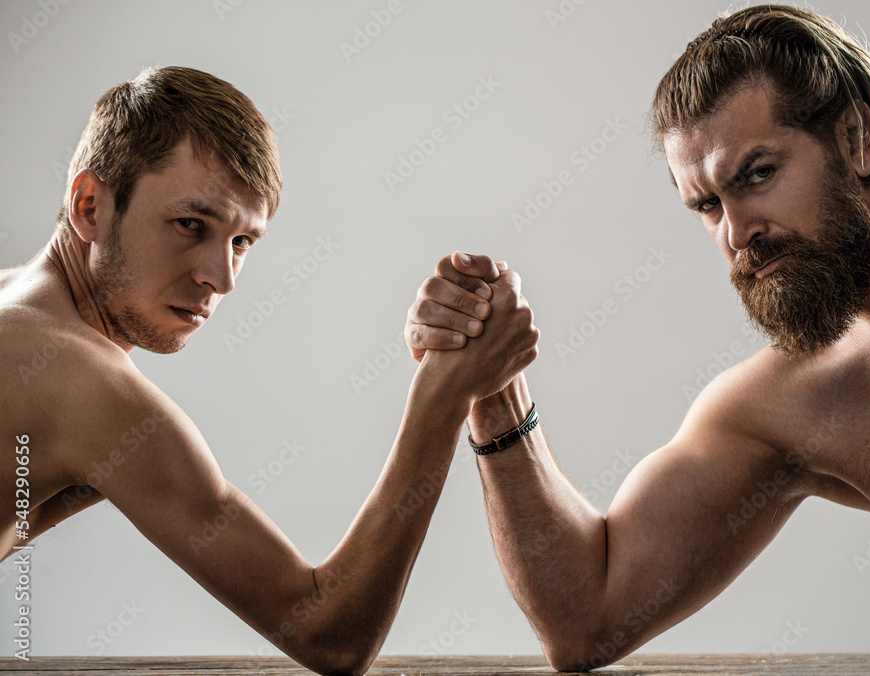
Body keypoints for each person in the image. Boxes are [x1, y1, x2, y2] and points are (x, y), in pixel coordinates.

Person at [405, 5, 870, 671]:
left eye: (758, 174)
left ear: (855, 138)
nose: (738, 233)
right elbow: (587, 620)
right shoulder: (783, 405)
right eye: (708, 205)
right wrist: (493, 389)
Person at [0, 66, 538, 675]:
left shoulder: (24, 321)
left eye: (242, 242)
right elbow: (330, 635)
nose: (221, 278)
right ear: (90, 206)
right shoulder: (82, 380)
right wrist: (443, 394)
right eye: (191, 225)